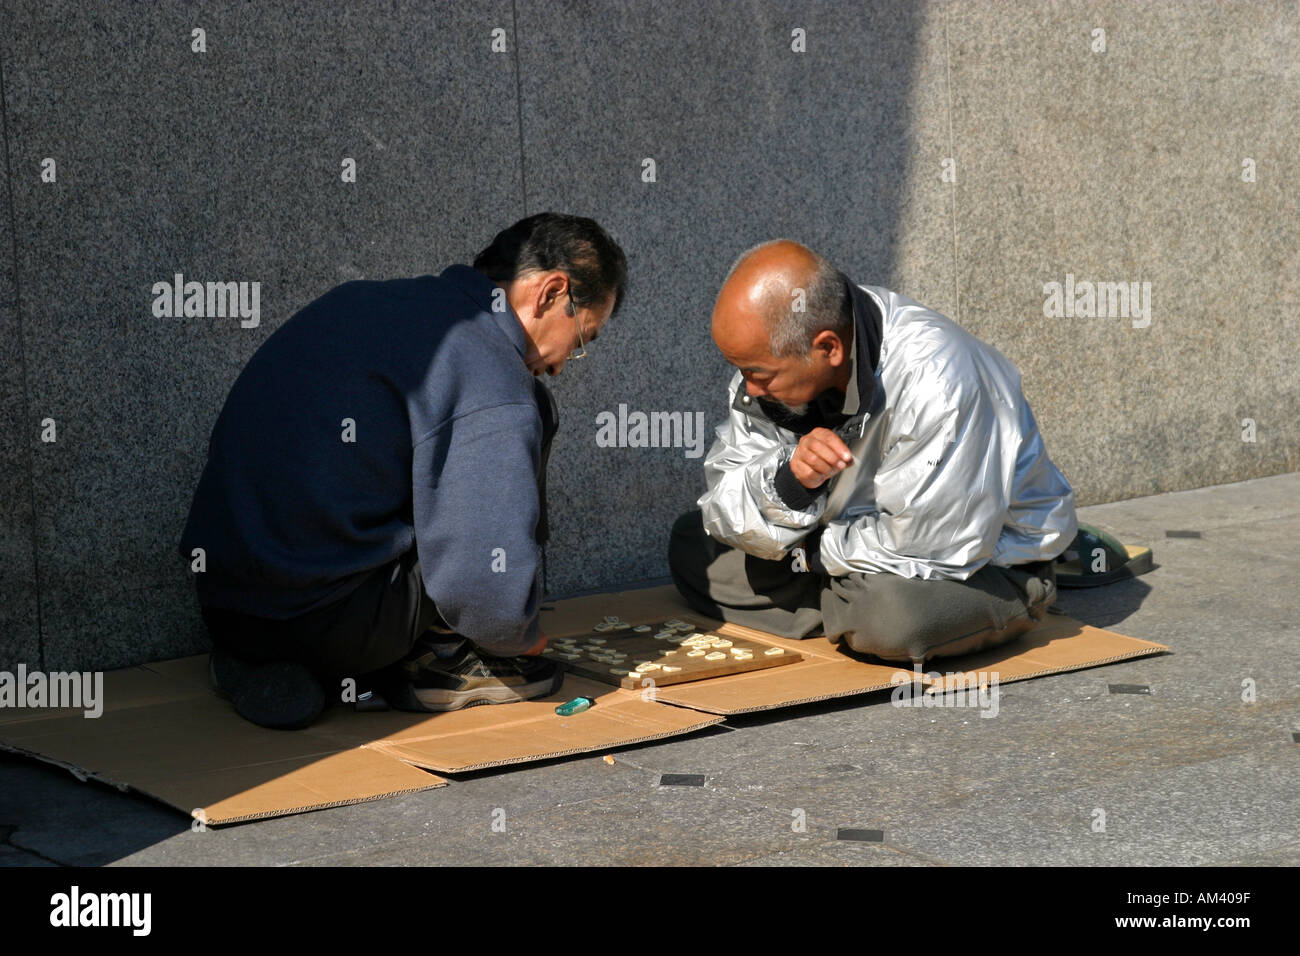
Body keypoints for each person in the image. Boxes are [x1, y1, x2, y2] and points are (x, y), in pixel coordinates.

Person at [180, 213, 627, 728]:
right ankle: (446, 660)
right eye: (582, 338)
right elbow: (480, 578)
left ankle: (263, 663)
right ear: (550, 292)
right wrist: (515, 633)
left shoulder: (363, 301)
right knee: (534, 410)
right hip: (331, 620)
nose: (561, 365)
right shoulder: (490, 370)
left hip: (224, 604)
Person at [669, 240, 1077, 668]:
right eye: (741, 369)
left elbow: (930, 547)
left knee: (891, 617)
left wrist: (809, 554)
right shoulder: (771, 364)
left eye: (758, 374)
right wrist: (790, 483)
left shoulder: (941, 383)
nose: (748, 387)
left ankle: (1016, 600)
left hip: (974, 561)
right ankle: (846, 613)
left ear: (829, 348)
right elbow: (726, 496)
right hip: (837, 549)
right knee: (693, 547)